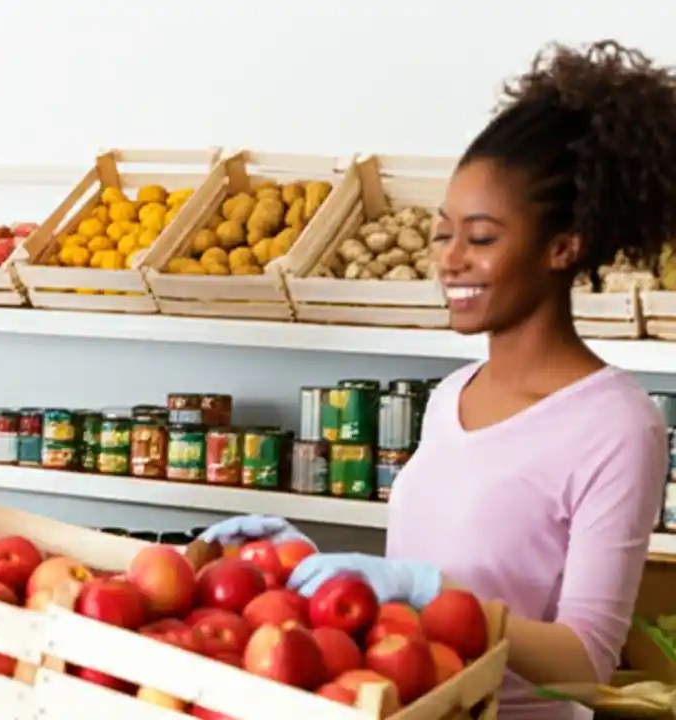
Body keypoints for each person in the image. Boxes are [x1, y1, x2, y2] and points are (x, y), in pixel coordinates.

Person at [201, 40, 676, 718]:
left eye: (480, 239)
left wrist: (429, 590)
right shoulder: (451, 396)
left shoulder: (618, 425)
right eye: (442, 233)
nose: (450, 260)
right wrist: (311, 569)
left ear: (562, 247)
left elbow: (584, 664)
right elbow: (415, 599)